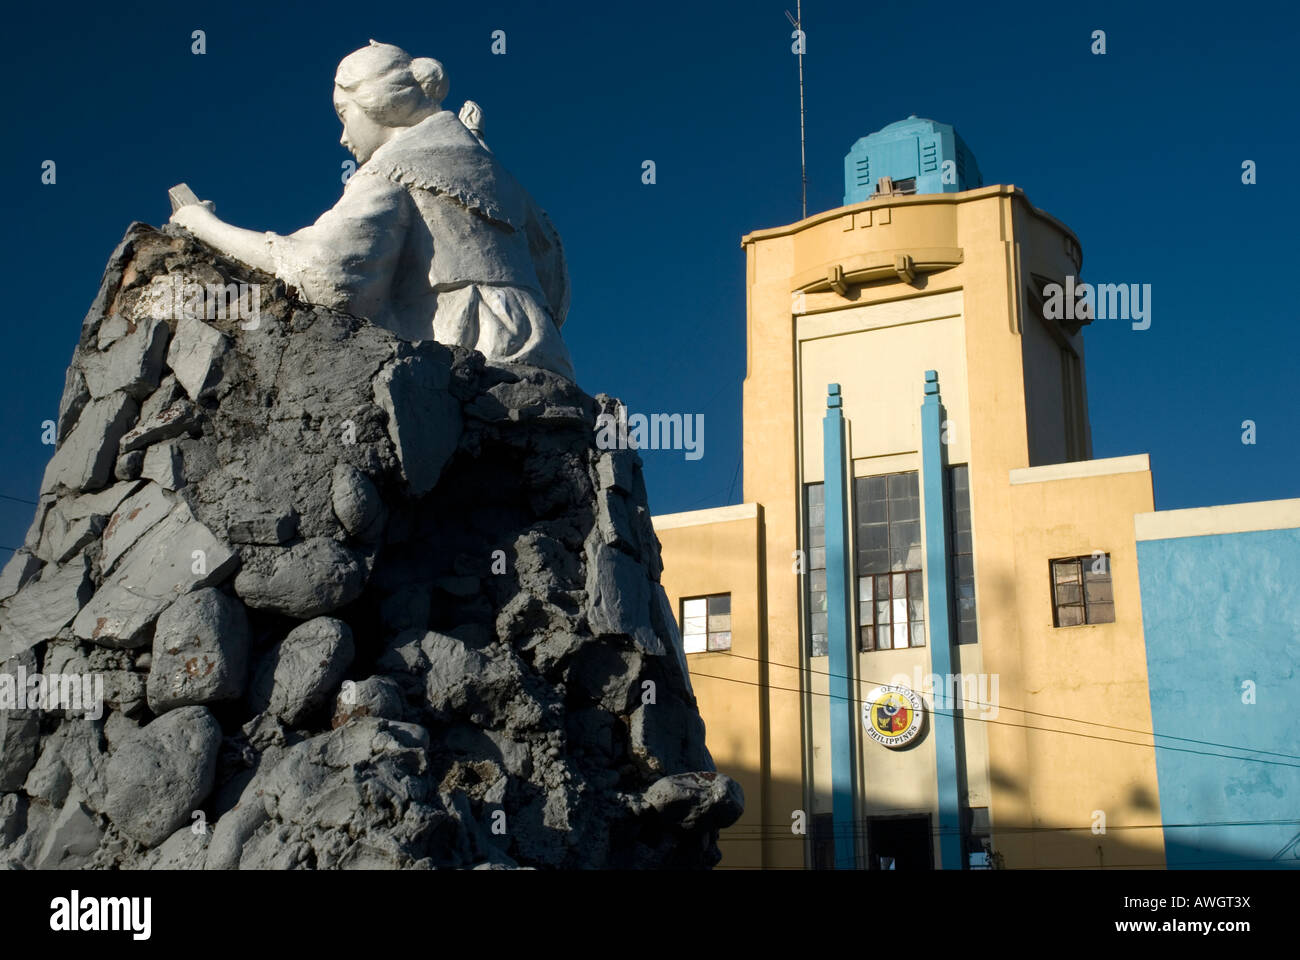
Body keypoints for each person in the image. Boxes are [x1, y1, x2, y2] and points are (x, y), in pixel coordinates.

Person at [169, 40, 575, 379]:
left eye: (344, 115)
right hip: (549, 358)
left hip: (465, 354)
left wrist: (204, 224)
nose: (344, 137)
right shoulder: (498, 174)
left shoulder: (391, 170)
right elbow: (554, 282)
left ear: (378, 104)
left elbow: (329, 274)